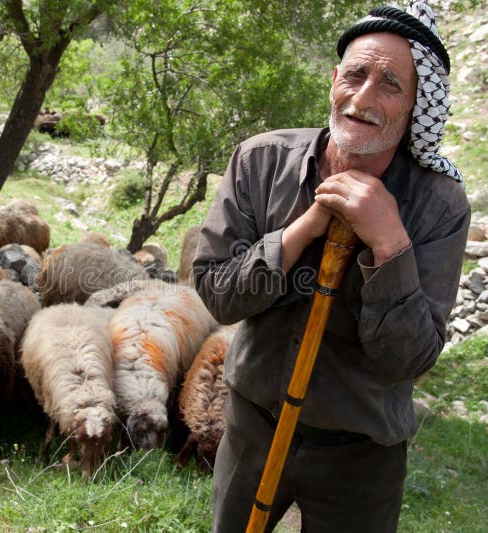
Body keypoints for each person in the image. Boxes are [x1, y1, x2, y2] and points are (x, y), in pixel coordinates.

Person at [192, 2, 470, 531]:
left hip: (360, 453)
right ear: (333, 79)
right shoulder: (260, 161)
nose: (363, 98)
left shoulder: (440, 205)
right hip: (253, 427)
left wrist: (389, 244)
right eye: (356, 75)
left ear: (417, 105)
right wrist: (303, 229)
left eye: (391, 85)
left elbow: (409, 359)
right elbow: (217, 294)